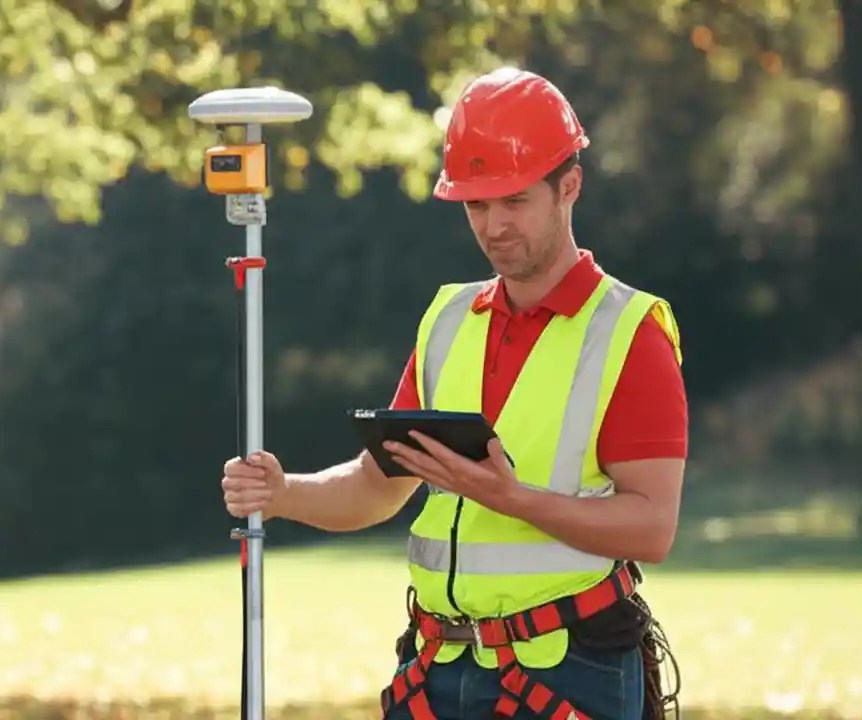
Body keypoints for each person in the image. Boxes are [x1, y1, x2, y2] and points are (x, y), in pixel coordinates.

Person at [220, 67, 687, 720]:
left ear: (569, 187)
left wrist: (512, 499)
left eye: (514, 201)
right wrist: (282, 493)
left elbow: (652, 528)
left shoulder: (629, 332)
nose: (494, 226)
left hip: (569, 670)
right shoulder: (447, 322)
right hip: (437, 667)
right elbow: (379, 485)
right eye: (476, 205)